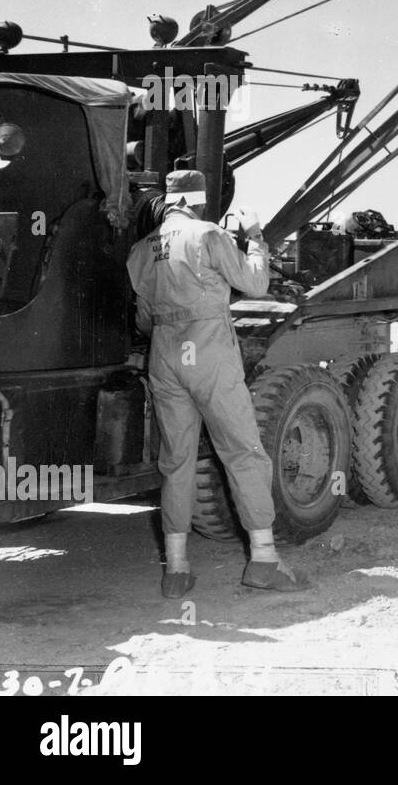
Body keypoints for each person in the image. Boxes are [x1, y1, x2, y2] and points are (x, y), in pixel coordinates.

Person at [126, 169, 311, 596]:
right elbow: (256, 282)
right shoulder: (208, 234)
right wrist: (256, 236)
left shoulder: (140, 250)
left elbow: (143, 318)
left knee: (176, 462)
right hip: (207, 353)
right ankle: (264, 560)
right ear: (197, 201)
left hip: (165, 356)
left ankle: (176, 571)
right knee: (243, 452)